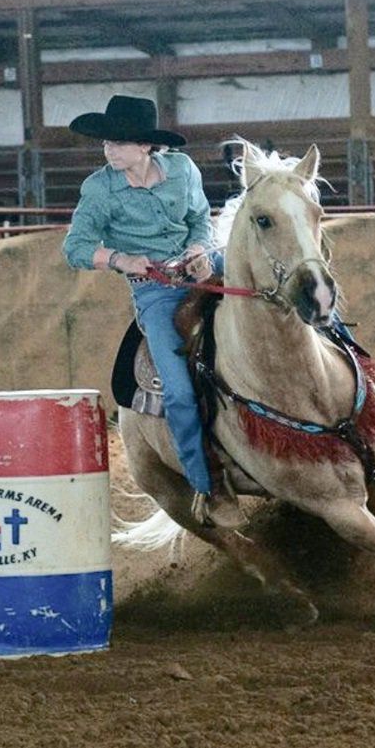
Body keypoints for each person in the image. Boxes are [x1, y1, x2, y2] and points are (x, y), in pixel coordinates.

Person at [63, 94, 241, 528]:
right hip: (156, 291)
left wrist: (201, 247)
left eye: (118, 142)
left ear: (145, 146)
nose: (108, 149)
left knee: (280, 291)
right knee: (178, 392)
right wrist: (123, 260)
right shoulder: (100, 189)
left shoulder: (183, 170)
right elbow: (76, 248)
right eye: (106, 142)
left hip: (203, 265)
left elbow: (200, 218)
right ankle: (207, 486)